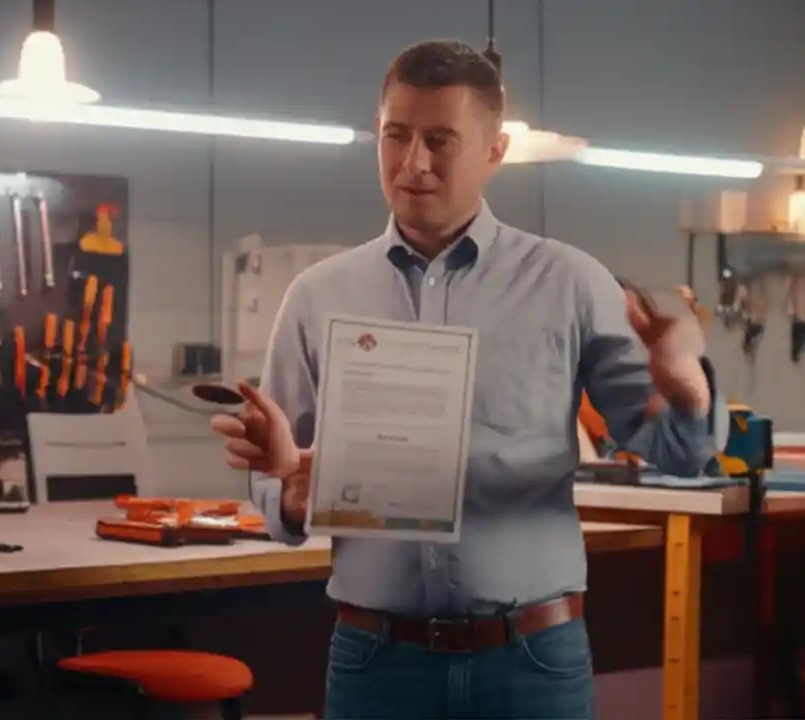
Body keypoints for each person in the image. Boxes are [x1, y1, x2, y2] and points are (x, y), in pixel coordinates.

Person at [210, 39, 720, 720]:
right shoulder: (316, 297)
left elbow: (684, 458)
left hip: (533, 662)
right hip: (375, 664)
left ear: (495, 151)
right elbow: (276, 492)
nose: (413, 162)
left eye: (440, 139)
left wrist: (686, 388)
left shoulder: (570, 284)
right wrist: (295, 495)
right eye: (396, 136)